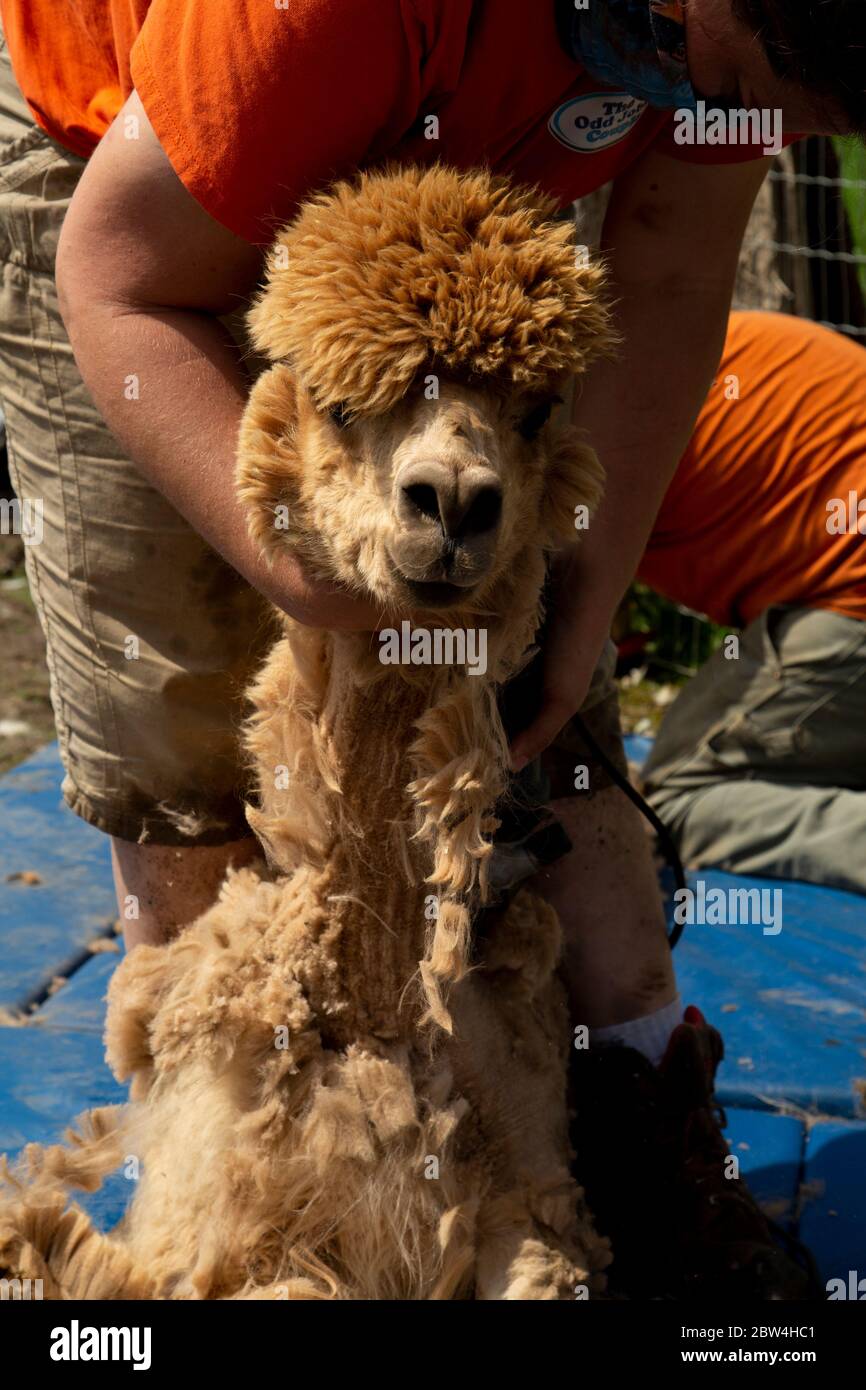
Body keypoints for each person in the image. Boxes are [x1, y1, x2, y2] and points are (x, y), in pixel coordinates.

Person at [0, 0, 856, 1298]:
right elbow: (120, 277)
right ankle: (224, 1222)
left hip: (463, 234)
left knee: (536, 739)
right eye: (774, 89)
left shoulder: (731, 56)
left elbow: (673, 273)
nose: (777, 139)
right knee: (175, 725)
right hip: (139, 202)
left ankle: (647, 1164)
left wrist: (576, 596)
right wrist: (296, 561)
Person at [640, 309, 866, 897]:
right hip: (837, 571)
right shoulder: (657, 341)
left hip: (850, 591)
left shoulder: (581, 426)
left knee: (675, 801)